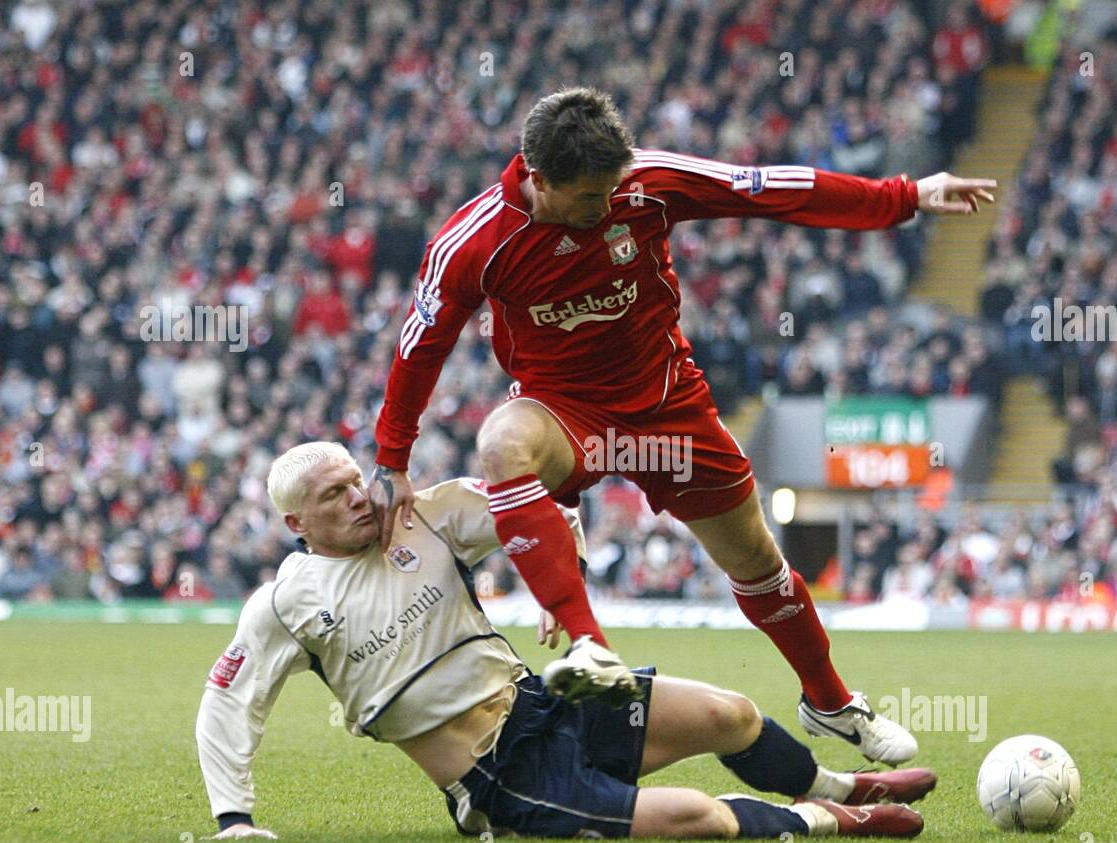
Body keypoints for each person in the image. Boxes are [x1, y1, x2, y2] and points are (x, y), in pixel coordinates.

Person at [371, 87, 996, 764]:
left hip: (669, 405)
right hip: (565, 410)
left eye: (612, 190)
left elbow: (769, 189)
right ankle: (591, 644)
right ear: (539, 180)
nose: (606, 206)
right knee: (501, 441)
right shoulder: (474, 242)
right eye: (589, 198)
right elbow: (419, 344)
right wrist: (391, 458)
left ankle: (831, 701)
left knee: (756, 560)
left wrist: (902, 197)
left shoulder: (646, 183)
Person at [197, 442, 936, 842]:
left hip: (545, 704)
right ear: (297, 523)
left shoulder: (423, 517)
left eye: (357, 481)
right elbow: (228, 703)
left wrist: (563, 586)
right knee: (692, 816)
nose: (360, 497)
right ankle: (838, 820)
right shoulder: (285, 602)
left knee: (732, 713)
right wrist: (234, 821)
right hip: (497, 774)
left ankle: (838, 783)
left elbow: (537, 509)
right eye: (335, 495)